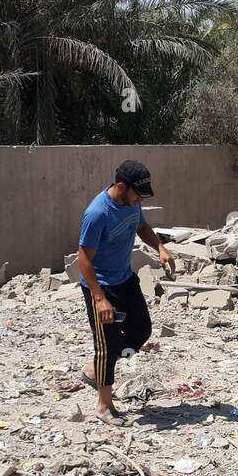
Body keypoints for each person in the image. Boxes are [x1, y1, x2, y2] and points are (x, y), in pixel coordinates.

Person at [76, 160, 175, 423]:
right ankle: (104, 407)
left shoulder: (132, 204)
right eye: (137, 194)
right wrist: (99, 299)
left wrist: (161, 248)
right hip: (102, 287)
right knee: (107, 346)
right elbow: (83, 258)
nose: (140, 199)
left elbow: (141, 228)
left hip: (125, 279)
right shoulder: (97, 214)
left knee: (141, 330)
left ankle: (95, 371)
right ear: (121, 186)